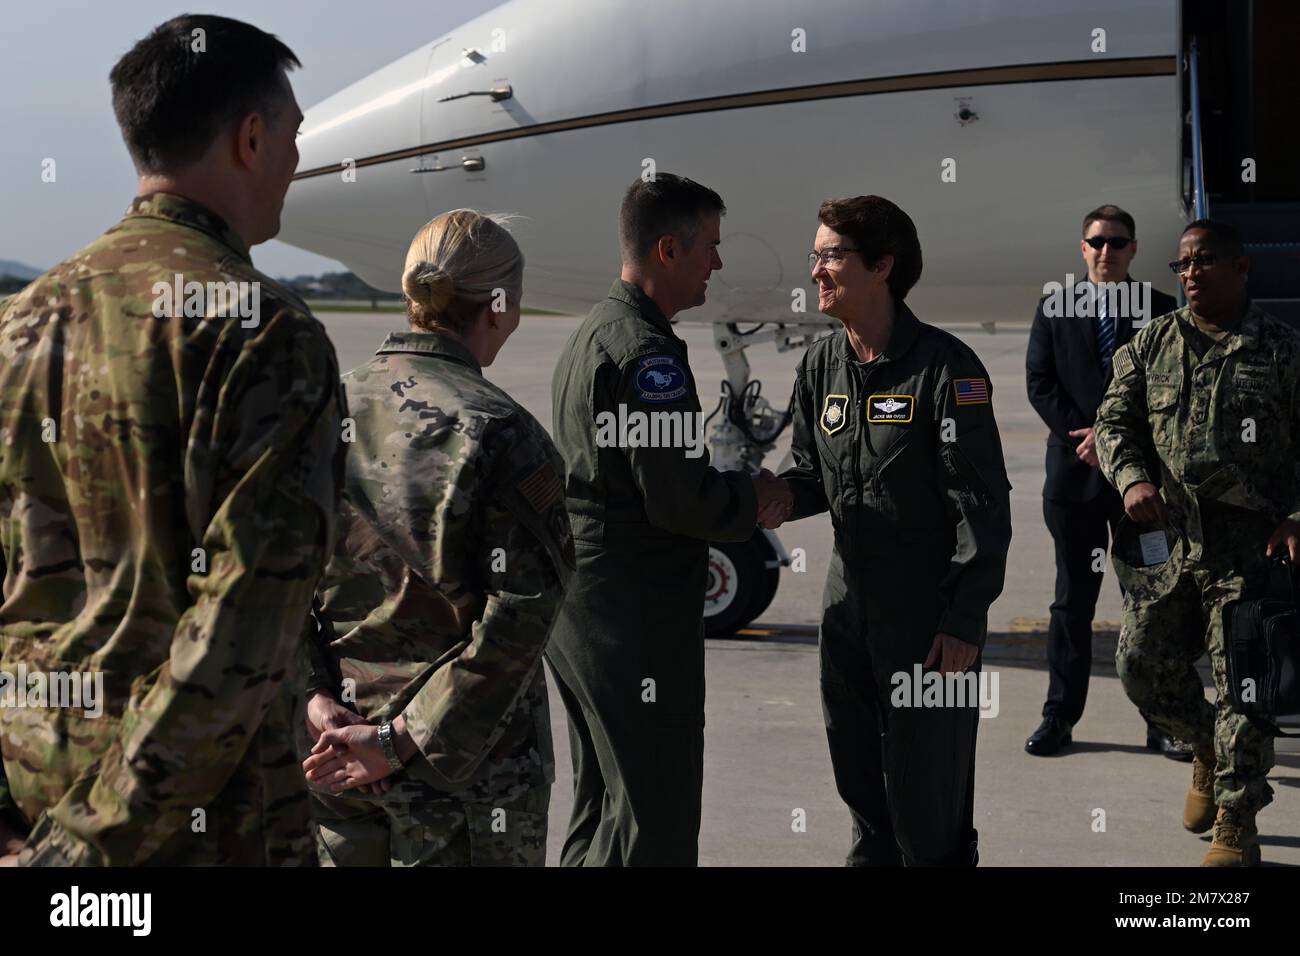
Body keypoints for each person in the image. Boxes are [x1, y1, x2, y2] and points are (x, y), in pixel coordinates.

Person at [0, 15, 345, 865]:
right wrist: (82, 853)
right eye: (294, 133)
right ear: (252, 138)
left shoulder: (22, 320)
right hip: (194, 831)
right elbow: (240, 630)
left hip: (33, 795)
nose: (298, 160)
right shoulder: (265, 333)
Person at [301, 210, 572, 866]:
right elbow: (521, 616)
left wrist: (314, 702)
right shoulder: (502, 431)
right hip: (465, 778)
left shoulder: (319, 413)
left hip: (334, 757)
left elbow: (273, 582)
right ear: (502, 305)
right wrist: (397, 741)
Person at [546, 174, 786, 866]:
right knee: (655, 811)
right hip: (632, 614)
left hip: (588, 606)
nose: (718, 263)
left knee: (603, 805)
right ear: (668, 250)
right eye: (710, 246)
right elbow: (679, 500)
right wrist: (753, 496)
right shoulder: (649, 358)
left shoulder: (598, 330)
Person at [764, 195, 1012, 866]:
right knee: (862, 797)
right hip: (846, 615)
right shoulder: (821, 366)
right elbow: (813, 473)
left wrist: (964, 620)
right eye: (815, 255)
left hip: (927, 622)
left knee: (927, 807)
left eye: (830, 256)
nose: (816, 270)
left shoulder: (945, 369)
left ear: (881, 266)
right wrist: (772, 496)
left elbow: (981, 507)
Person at [1095, 219, 1300, 866]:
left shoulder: (1280, 350)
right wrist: (1129, 480)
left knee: (1246, 687)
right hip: (1172, 542)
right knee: (1139, 665)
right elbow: (1112, 423)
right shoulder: (1151, 345)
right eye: (1181, 264)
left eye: (1205, 261)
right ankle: (1204, 750)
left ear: (1241, 268)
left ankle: (1235, 829)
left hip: (1250, 549)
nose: (1190, 273)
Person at [1024, 204, 1186, 758]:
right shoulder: (1055, 309)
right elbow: (1040, 383)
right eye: (1096, 242)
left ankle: (1161, 719)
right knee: (1072, 604)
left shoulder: (1163, 312)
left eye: (1117, 243)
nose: (1105, 252)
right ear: (1082, 247)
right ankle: (1059, 718)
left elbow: (1171, 394)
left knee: (1150, 604)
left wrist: (1118, 443)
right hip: (1075, 478)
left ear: (1134, 249)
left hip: (1141, 484)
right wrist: (1088, 436)